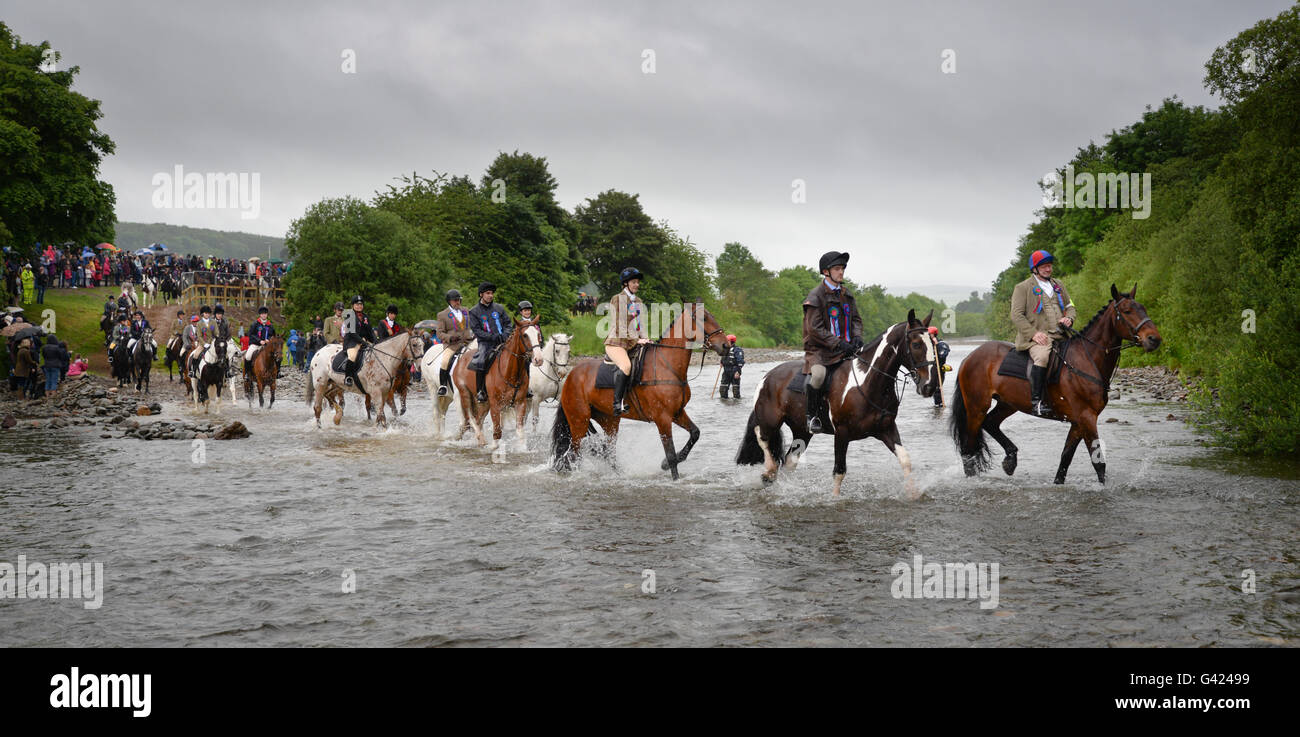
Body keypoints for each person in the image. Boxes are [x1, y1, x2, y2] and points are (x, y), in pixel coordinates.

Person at [802, 251, 863, 433]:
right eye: (837, 269)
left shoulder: (847, 294)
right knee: (819, 375)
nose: (841, 272)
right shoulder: (815, 296)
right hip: (820, 351)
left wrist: (857, 336)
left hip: (845, 349)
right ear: (826, 272)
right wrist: (838, 343)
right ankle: (811, 416)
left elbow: (856, 320)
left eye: (842, 268)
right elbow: (815, 329)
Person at [1010, 249, 1077, 416]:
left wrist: (1069, 318)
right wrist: (1033, 334)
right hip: (1038, 338)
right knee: (1042, 357)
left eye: (1050, 266)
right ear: (1035, 269)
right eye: (1044, 266)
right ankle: (1037, 402)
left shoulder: (1058, 285)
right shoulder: (1023, 287)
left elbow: (1070, 306)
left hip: (1062, 335)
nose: (1048, 269)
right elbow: (1016, 315)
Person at [604, 267, 651, 415]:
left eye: (637, 282)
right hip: (616, 342)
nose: (637, 285)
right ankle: (617, 403)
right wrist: (637, 340)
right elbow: (621, 325)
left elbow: (639, 324)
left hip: (633, 341)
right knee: (626, 366)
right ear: (625, 284)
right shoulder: (617, 299)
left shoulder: (638, 301)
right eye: (634, 282)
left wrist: (646, 338)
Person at [467, 282, 513, 402]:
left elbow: (508, 324)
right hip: (485, 343)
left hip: (503, 341)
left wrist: (505, 334)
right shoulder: (474, 311)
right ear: (481, 294)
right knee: (481, 359)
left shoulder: (499, 308)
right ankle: (481, 390)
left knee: (521, 356)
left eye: (492, 293)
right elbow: (476, 330)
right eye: (488, 293)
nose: (490, 295)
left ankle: (525, 387)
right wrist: (491, 337)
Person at [434, 289, 474, 396]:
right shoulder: (442, 315)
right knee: (445, 361)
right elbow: (440, 333)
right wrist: (450, 338)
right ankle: (443, 385)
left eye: (459, 300)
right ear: (449, 301)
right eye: (455, 300)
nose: (458, 302)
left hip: (467, 342)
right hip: (452, 345)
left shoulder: (466, 311)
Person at [341, 295, 375, 389]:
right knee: (352, 356)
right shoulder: (348, 314)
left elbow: (370, 331)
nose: (359, 306)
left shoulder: (365, 317)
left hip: (364, 341)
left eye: (361, 304)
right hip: (352, 342)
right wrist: (364, 342)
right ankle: (348, 377)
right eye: (357, 304)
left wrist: (376, 341)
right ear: (353, 305)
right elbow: (352, 333)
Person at [245, 306, 277, 374]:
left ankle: (277, 372)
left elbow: (273, 335)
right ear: (260, 315)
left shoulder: (270, 325)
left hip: (267, 345)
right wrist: (259, 341)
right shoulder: (255, 324)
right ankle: (247, 373)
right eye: (262, 314)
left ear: (267, 315)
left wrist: (268, 339)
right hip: (255, 344)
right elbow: (251, 334)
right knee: (247, 356)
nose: (264, 315)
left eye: (265, 314)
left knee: (277, 355)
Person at [719, 334, 746, 399]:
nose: (725, 342)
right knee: (723, 389)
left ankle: (736, 404)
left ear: (731, 341)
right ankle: (724, 403)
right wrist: (721, 362)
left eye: (727, 340)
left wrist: (738, 372)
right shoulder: (725, 349)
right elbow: (723, 358)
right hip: (726, 371)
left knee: (735, 391)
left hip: (734, 370)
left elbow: (740, 361)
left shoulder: (737, 350)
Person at [929, 326, 951, 406]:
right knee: (932, 387)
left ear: (934, 334)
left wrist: (937, 345)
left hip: (939, 368)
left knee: (938, 387)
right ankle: (936, 405)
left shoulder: (942, 344)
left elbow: (943, 355)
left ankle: (939, 404)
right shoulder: (927, 345)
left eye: (930, 334)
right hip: (930, 369)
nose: (928, 336)